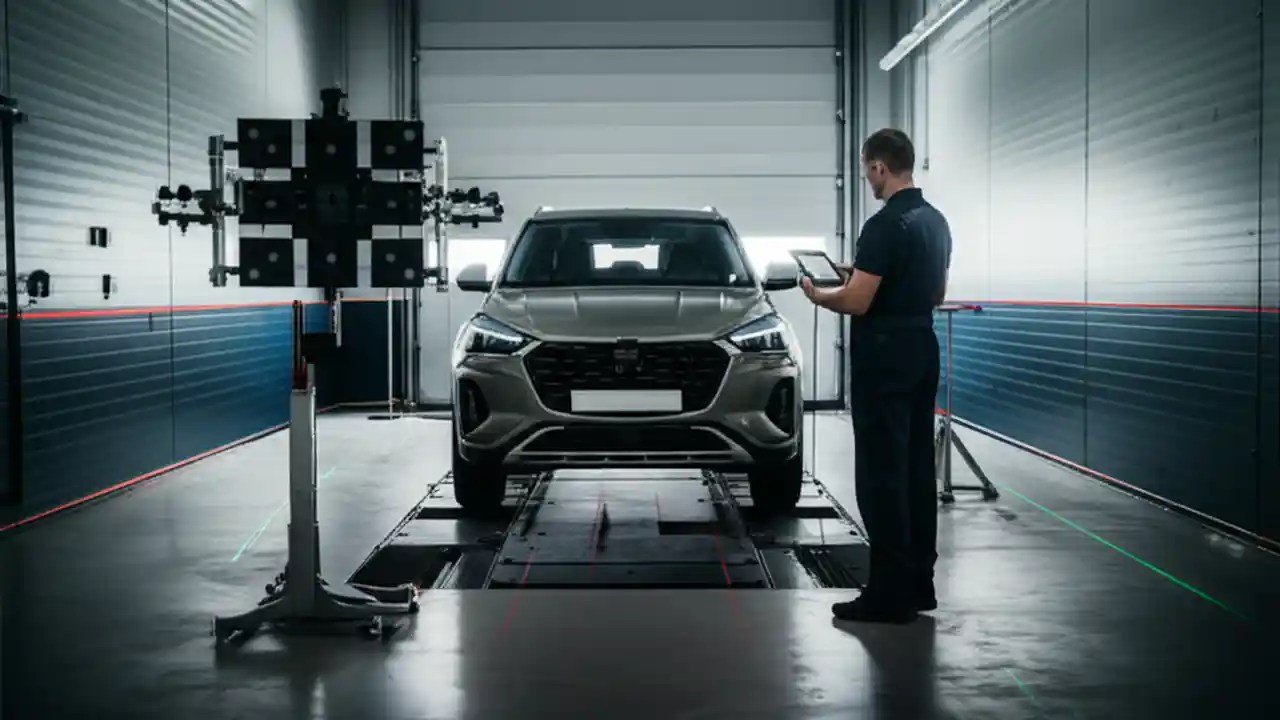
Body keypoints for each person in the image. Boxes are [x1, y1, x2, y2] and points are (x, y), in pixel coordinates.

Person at [800, 128, 951, 624]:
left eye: (867, 169)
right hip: (922, 349)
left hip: (884, 357)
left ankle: (886, 594)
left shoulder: (884, 224)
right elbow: (934, 293)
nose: (867, 178)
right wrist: (860, 271)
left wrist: (819, 293)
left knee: (882, 476)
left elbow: (858, 301)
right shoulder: (935, 221)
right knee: (915, 471)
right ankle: (917, 585)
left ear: (881, 167)